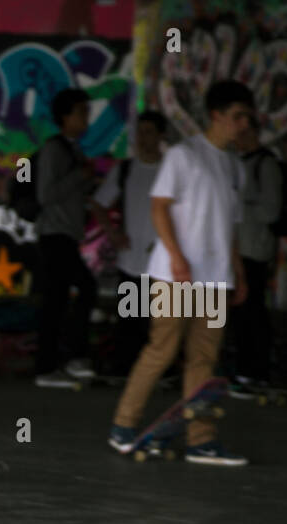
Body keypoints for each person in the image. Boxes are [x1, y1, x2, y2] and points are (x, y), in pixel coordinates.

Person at [107, 80, 253, 465]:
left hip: (217, 278)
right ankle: (123, 425)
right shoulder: (184, 156)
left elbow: (231, 227)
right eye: (238, 116)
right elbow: (159, 207)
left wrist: (238, 272)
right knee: (163, 348)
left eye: (248, 118)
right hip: (176, 276)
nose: (244, 125)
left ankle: (200, 440)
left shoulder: (236, 167)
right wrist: (175, 256)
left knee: (204, 357)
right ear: (217, 115)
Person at [90, 110, 167, 377]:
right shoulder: (125, 171)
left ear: (160, 136)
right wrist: (112, 234)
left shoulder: (171, 170)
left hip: (163, 265)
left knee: (159, 324)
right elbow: (99, 203)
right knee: (130, 320)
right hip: (131, 261)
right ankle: (126, 369)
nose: (143, 139)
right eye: (140, 132)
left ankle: (158, 372)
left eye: (149, 132)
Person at [33, 88, 98, 388]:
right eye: (82, 112)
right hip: (54, 235)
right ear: (65, 116)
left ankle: (56, 363)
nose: (87, 118)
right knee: (74, 293)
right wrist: (81, 176)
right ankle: (55, 363)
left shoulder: (73, 149)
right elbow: (46, 194)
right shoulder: (54, 149)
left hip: (67, 234)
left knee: (60, 300)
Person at [227, 112, 281, 398]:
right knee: (241, 312)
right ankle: (245, 369)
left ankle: (255, 372)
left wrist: (241, 205)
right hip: (239, 248)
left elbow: (270, 210)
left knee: (252, 311)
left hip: (255, 249)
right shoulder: (238, 163)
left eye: (244, 132)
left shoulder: (265, 164)